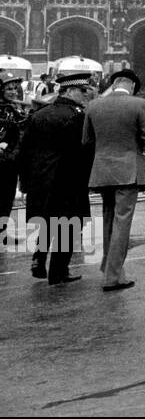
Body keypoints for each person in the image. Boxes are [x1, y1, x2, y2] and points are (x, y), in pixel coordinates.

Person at [83, 69, 145, 292]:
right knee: (122, 223)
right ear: (133, 86)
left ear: (114, 83)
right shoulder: (139, 104)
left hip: (102, 170)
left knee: (108, 220)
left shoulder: (94, 105)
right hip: (128, 170)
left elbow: (86, 140)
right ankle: (113, 277)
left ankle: (108, 267)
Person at [19, 71, 96, 285]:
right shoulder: (77, 117)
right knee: (68, 226)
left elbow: (25, 151)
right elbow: (84, 151)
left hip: (40, 180)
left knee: (47, 221)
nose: (86, 94)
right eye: (82, 90)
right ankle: (58, 272)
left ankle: (39, 256)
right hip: (68, 180)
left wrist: (25, 182)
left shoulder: (39, 115)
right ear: (70, 91)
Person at [0, 71, 28, 248]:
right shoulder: (3, 110)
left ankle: (2, 233)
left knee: (7, 199)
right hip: (3, 163)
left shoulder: (15, 107)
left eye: (14, 88)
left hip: (12, 163)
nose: (13, 91)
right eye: (8, 88)